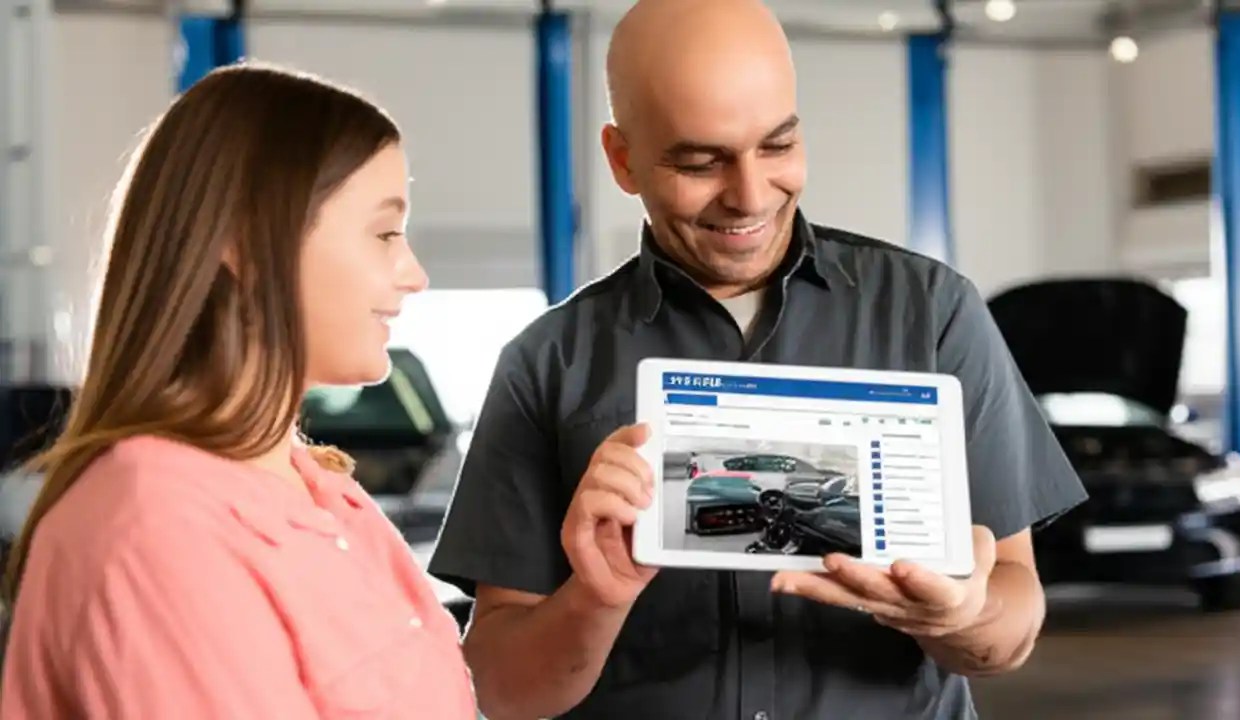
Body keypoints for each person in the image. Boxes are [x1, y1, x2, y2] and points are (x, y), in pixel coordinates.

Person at [426, 0, 1087, 718]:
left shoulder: (932, 314)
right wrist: (596, 597)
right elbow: (501, 691)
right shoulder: (548, 362)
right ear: (622, 159)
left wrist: (960, 617)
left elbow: (1011, 619)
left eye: (777, 146)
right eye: (699, 162)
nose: (749, 196)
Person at [0, 63, 477, 719]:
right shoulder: (158, 527)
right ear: (244, 241)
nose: (414, 274)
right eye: (385, 234)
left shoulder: (326, 495)